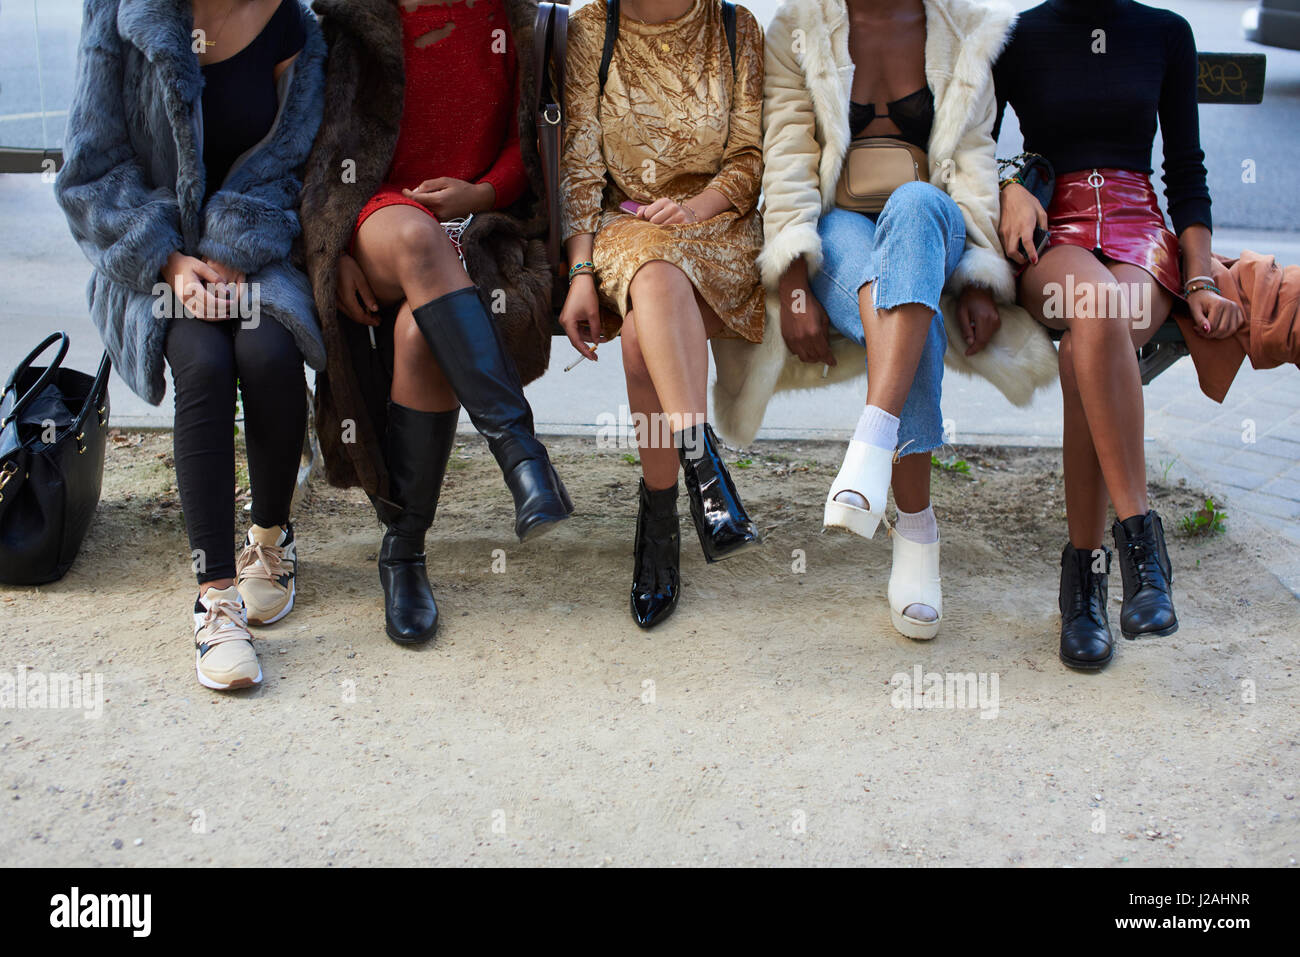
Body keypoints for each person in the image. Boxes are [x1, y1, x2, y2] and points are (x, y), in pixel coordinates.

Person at [751, 0, 1052, 640]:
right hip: (839, 226)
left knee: (916, 202)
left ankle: (870, 444)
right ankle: (915, 526)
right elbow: (787, 155)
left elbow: (973, 159)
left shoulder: (964, 28)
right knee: (911, 321)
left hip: (931, 225)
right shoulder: (798, 27)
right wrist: (796, 279)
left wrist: (976, 274)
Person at [57, 0, 327, 690]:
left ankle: (269, 541)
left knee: (269, 353)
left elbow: (291, 157)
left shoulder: (291, 20)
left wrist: (235, 244)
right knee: (203, 366)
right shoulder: (120, 15)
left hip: (254, 249)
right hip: (148, 254)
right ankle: (216, 601)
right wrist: (170, 261)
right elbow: (91, 169)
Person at [301, 0, 568, 646]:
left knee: (421, 338)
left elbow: (522, 146)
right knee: (420, 243)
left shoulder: (509, 19)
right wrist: (330, 250)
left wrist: (480, 194)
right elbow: (322, 161)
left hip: (477, 230)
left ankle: (404, 552)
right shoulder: (354, 22)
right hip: (378, 222)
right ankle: (522, 457)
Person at [994, 0, 1244, 669]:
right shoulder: (1018, 36)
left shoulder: (1165, 33)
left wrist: (1199, 281)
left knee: (1088, 339)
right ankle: (1141, 547)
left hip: (1140, 236)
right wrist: (1008, 186)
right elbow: (967, 155)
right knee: (1093, 307)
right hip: (1053, 233)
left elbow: (1186, 174)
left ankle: (1084, 582)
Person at [559, 0, 765, 630]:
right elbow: (580, 165)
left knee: (639, 341)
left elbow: (749, 159)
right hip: (627, 226)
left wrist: (697, 209)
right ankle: (702, 467)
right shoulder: (595, 26)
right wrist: (579, 273)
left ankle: (661, 517)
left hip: (719, 231)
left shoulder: (736, 26)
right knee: (651, 266)